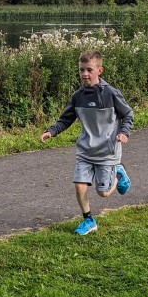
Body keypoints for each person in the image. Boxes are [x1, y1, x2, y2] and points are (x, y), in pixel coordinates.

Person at [39, 50, 134, 236]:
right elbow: (65, 119)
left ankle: (119, 173)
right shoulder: (78, 96)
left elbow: (128, 114)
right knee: (79, 186)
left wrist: (124, 132)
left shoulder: (111, 94)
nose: (84, 74)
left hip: (107, 151)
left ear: (100, 70)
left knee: (103, 193)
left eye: (89, 70)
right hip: (85, 150)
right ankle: (88, 220)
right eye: (81, 70)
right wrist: (51, 131)